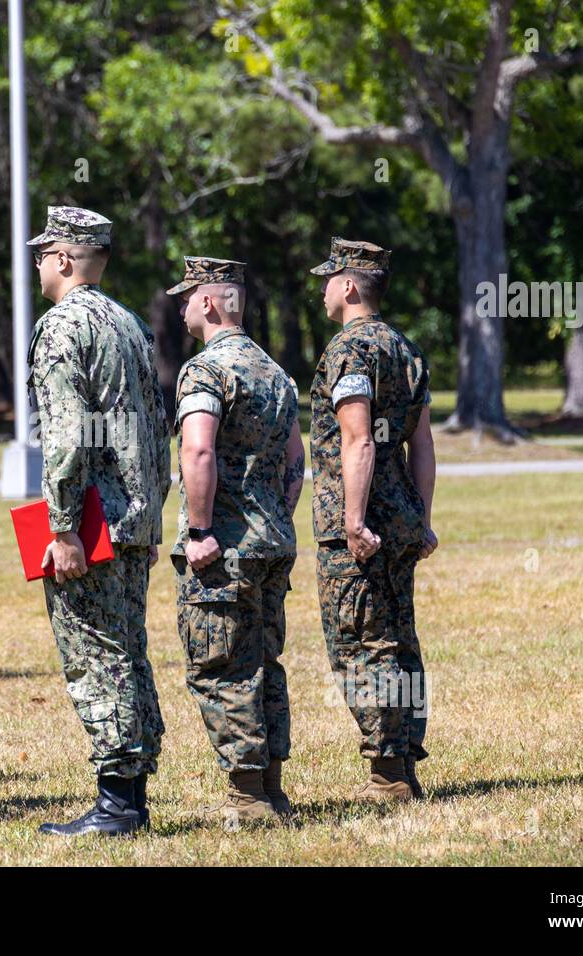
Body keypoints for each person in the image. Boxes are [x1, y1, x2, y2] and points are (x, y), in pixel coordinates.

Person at [27, 205, 170, 836]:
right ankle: (130, 794)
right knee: (128, 650)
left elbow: (64, 439)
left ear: (63, 258)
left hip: (92, 523)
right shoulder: (132, 325)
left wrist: (61, 530)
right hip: (133, 518)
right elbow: (158, 429)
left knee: (96, 654)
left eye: (41, 253)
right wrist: (152, 513)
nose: (35, 264)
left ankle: (117, 804)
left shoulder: (63, 328)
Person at [168, 256, 305, 824]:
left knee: (224, 666)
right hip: (271, 542)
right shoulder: (276, 372)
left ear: (208, 303)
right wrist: (272, 515)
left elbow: (198, 450)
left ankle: (248, 797)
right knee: (265, 661)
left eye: (186, 297)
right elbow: (296, 460)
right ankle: (272, 788)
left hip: (222, 549)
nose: (180, 308)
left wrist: (201, 530)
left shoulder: (205, 370)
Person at [308, 237, 438, 802]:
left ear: (351, 286)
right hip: (401, 518)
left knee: (362, 644)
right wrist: (423, 518)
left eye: (330, 278)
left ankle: (388, 774)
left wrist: (354, 521)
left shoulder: (348, 352)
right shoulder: (407, 350)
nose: (323, 288)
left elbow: (358, 439)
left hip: (361, 526)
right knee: (399, 640)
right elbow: (424, 444)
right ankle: (404, 761)